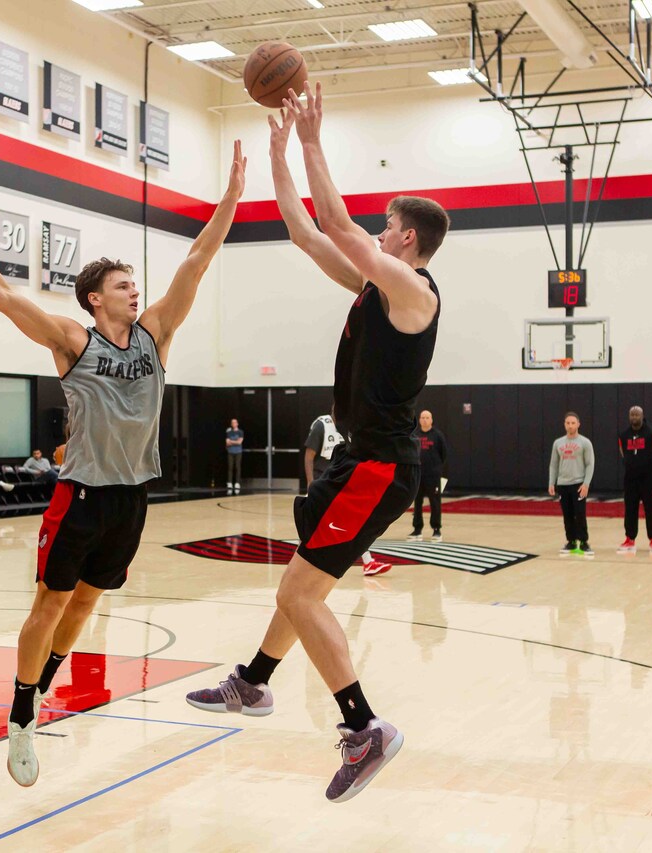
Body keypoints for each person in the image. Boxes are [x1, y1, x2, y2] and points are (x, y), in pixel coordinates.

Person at [0, 138, 244, 787]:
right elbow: (5, 300)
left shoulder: (156, 334)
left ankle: (43, 682)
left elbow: (199, 260)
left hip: (132, 499)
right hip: (82, 495)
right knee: (50, 602)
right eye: (123, 285)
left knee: (88, 602)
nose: (135, 291)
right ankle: (20, 714)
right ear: (95, 298)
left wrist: (232, 194)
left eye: (133, 285)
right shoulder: (73, 341)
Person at [185, 85, 446, 803]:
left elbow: (337, 221)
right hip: (356, 459)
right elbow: (308, 232)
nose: (376, 230)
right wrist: (278, 157)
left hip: (381, 463)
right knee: (305, 583)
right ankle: (255, 682)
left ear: (407, 240)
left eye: (386, 226)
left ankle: (365, 728)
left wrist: (309, 137)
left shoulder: (414, 293)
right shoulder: (372, 285)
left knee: (299, 590)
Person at [303, 413, 393, 577]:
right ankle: (308, 562)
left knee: (347, 524)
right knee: (317, 528)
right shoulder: (321, 426)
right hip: (322, 483)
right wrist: (310, 482)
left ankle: (368, 562)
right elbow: (309, 456)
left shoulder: (348, 428)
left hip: (338, 482)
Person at [617, 406, 652, 554]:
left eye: (637, 414)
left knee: (650, 509)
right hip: (630, 478)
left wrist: (647, 466)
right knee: (630, 509)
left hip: (648, 478)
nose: (634, 417)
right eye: (632, 414)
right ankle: (630, 539)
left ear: (642, 415)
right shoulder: (623, 435)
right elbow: (623, 453)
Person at [549, 412, 594, 556]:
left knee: (580, 514)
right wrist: (552, 482)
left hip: (578, 484)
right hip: (562, 484)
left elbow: (590, 464)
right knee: (567, 515)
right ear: (564, 424)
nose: (570, 425)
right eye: (568, 423)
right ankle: (571, 541)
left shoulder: (585, 442)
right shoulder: (558, 443)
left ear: (578, 424)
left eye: (573, 423)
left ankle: (584, 542)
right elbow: (553, 465)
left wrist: (586, 484)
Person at [408, 409, 448, 542]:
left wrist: (436, 469)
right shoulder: (415, 435)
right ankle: (417, 529)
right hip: (418, 476)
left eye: (427, 418)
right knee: (417, 503)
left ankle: (436, 530)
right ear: (419, 420)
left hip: (433, 476)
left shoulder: (438, 435)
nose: (424, 420)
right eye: (422, 417)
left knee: (435, 503)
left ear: (431, 420)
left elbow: (444, 454)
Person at [225, 418, 244, 493]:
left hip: (238, 451)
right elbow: (227, 443)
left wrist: (231, 441)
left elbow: (239, 442)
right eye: (232, 422)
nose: (233, 424)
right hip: (230, 451)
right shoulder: (229, 432)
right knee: (230, 466)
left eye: (235, 422)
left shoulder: (240, 432)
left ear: (237, 423)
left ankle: (237, 483)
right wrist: (234, 442)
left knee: (237, 467)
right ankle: (229, 483)